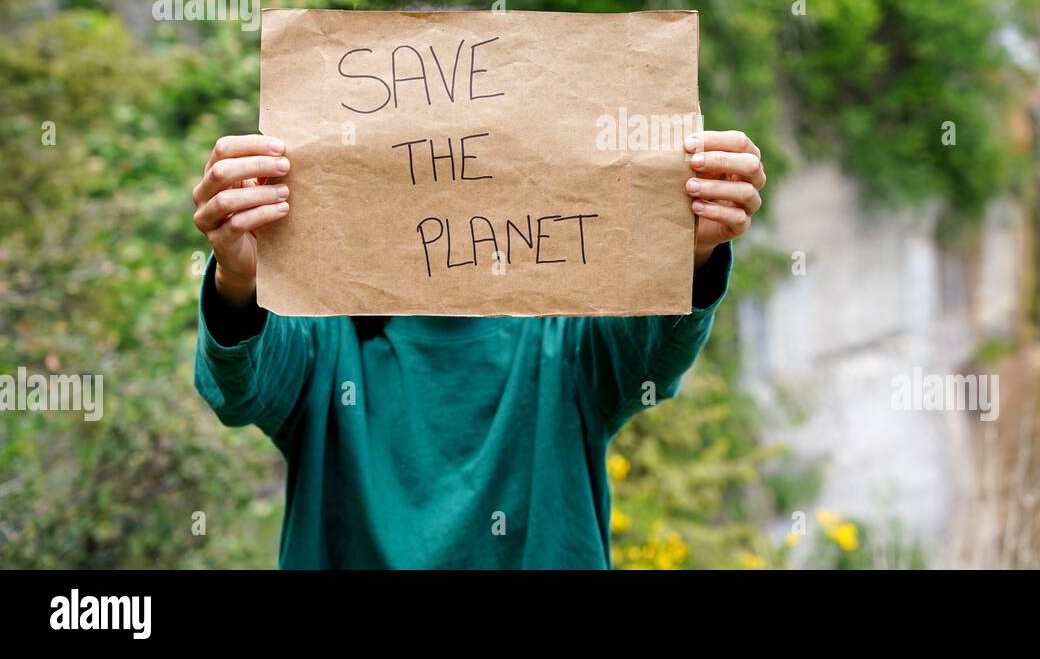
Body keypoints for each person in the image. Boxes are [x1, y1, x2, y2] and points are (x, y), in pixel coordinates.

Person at [191, 129, 765, 568]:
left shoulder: (565, 334)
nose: (447, 182)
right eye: (416, 159)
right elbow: (239, 385)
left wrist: (690, 249)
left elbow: (652, 348)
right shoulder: (321, 331)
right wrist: (238, 280)